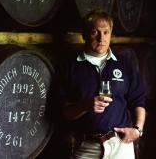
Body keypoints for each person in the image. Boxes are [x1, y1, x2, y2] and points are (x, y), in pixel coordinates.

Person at [56, 10, 146, 159]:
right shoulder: (70, 66)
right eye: (94, 32)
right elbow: (63, 111)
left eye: (106, 32)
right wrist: (85, 106)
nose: (101, 38)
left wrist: (137, 130)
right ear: (84, 35)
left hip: (120, 146)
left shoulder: (124, 63)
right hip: (86, 148)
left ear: (111, 34)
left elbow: (138, 99)